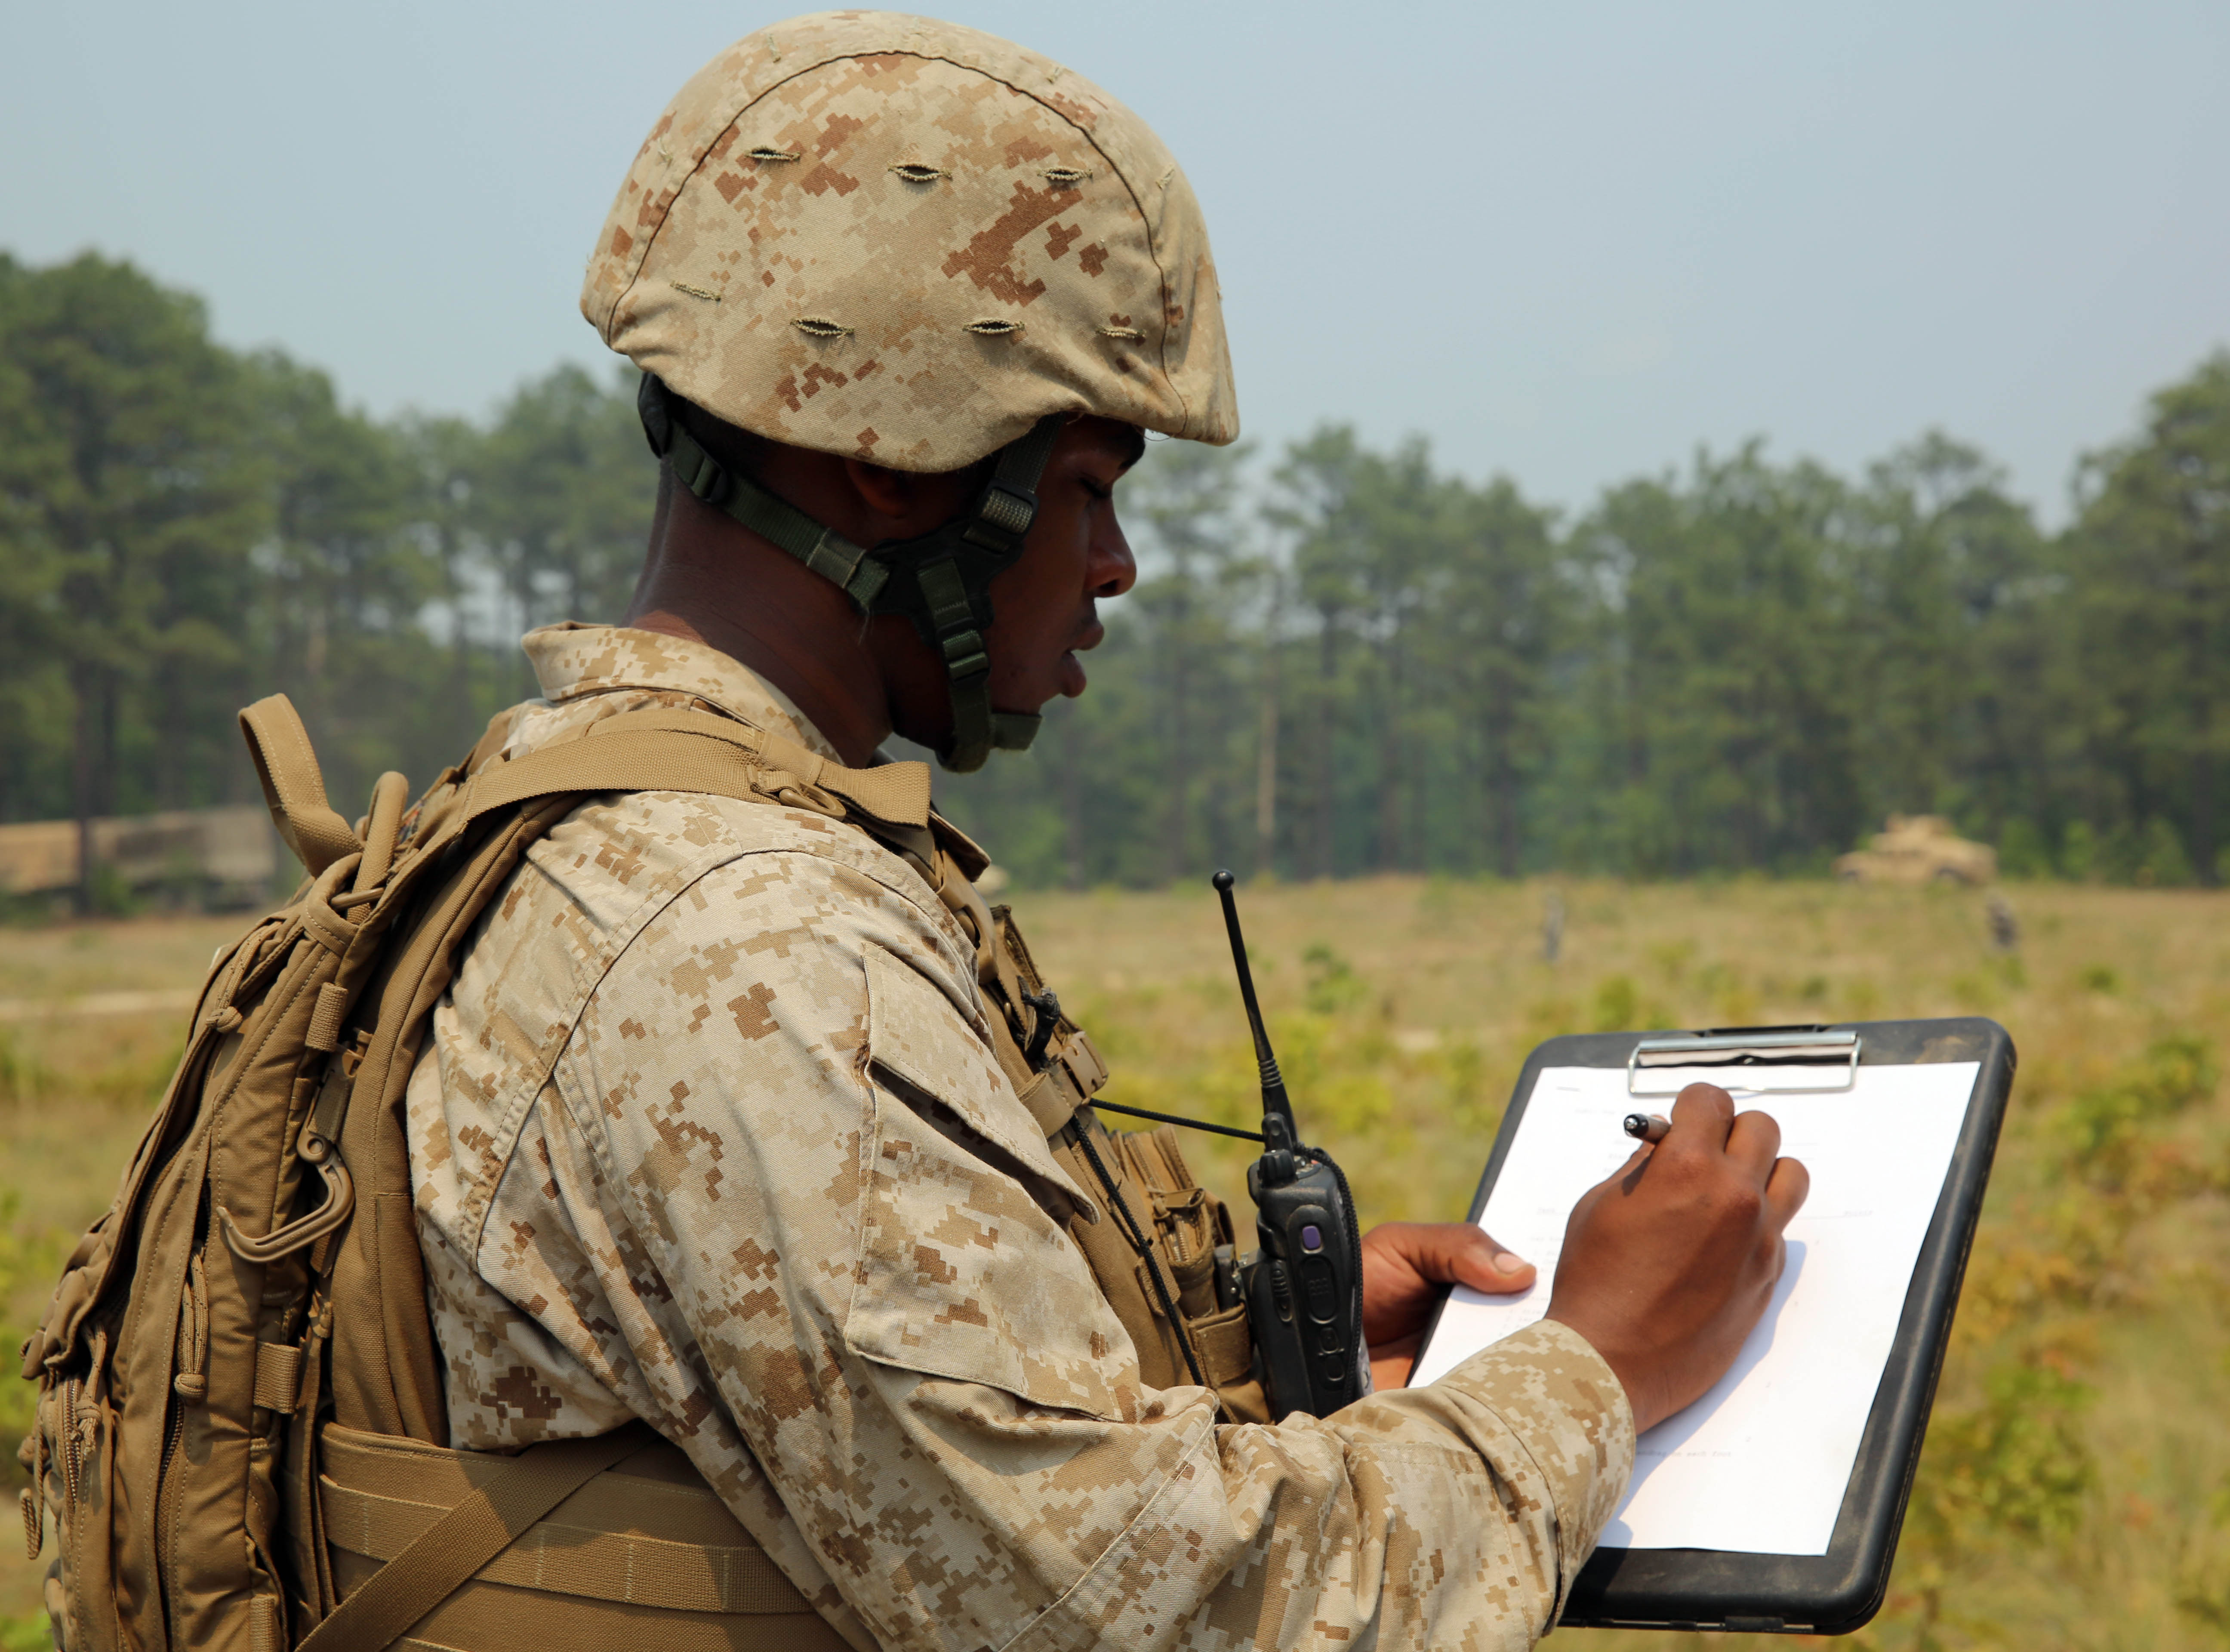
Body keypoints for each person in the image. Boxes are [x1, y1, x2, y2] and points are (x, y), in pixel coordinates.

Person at [406, 13, 1808, 1649]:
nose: (1119, 565)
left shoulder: (563, 824)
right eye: (1090, 487)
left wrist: (1205, 1342)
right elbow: (1163, 1619)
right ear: (888, 469)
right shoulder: (750, 950)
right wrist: (1607, 1365)